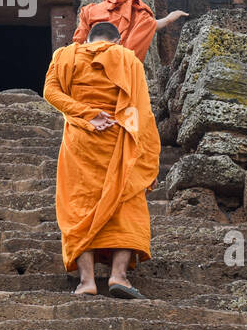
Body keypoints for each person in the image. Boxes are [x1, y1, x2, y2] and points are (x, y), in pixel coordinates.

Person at [43, 19, 161, 298]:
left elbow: (50, 93)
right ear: (116, 42)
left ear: (88, 39)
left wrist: (85, 112)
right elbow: (141, 113)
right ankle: (118, 277)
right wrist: (147, 155)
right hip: (120, 140)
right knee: (126, 203)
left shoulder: (65, 55)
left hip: (80, 142)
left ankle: (87, 282)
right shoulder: (127, 59)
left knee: (78, 205)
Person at [72, 0, 188, 61]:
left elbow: (78, 43)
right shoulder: (136, 10)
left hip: (91, 67)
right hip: (121, 68)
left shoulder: (89, 11)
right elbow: (150, 25)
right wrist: (170, 18)